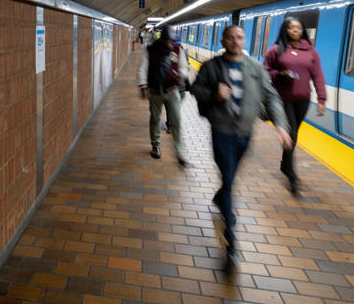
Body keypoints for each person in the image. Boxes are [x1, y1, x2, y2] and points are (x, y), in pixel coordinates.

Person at [191, 25, 291, 273]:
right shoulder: (211, 66)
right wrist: (215, 94)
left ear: (244, 40)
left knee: (230, 178)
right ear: (223, 40)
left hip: (245, 134)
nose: (236, 42)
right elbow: (196, 90)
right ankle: (231, 239)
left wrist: (280, 125)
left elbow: (271, 96)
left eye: (240, 37)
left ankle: (220, 196)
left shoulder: (255, 68)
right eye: (231, 38)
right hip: (221, 131)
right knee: (228, 176)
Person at [263, 17, 327, 194]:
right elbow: (265, 71)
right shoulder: (276, 50)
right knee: (290, 133)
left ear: (303, 30)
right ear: (285, 30)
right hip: (282, 99)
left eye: (298, 28)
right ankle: (291, 174)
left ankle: (285, 164)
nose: (295, 30)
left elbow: (318, 76)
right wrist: (279, 73)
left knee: (294, 134)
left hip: (302, 99)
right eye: (291, 28)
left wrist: (321, 99)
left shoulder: (311, 52)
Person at [138, 25, 189, 166]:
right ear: (162, 38)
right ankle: (155, 145)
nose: (170, 43)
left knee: (176, 120)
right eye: (167, 40)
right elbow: (143, 67)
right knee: (155, 118)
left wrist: (180, 75)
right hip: (155, 91)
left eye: (171, 40)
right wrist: (143, 84)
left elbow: (185, 69)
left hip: (172, 91)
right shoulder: (150, 50)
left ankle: (179, 151)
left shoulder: (179, 50)